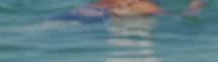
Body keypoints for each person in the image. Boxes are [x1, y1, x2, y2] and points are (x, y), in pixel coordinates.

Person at [71, 0, 206, 18]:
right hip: (98, 18)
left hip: (82, 14)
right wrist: (196, 5)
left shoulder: (106, 1)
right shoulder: (144, 5)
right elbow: (182, 17)